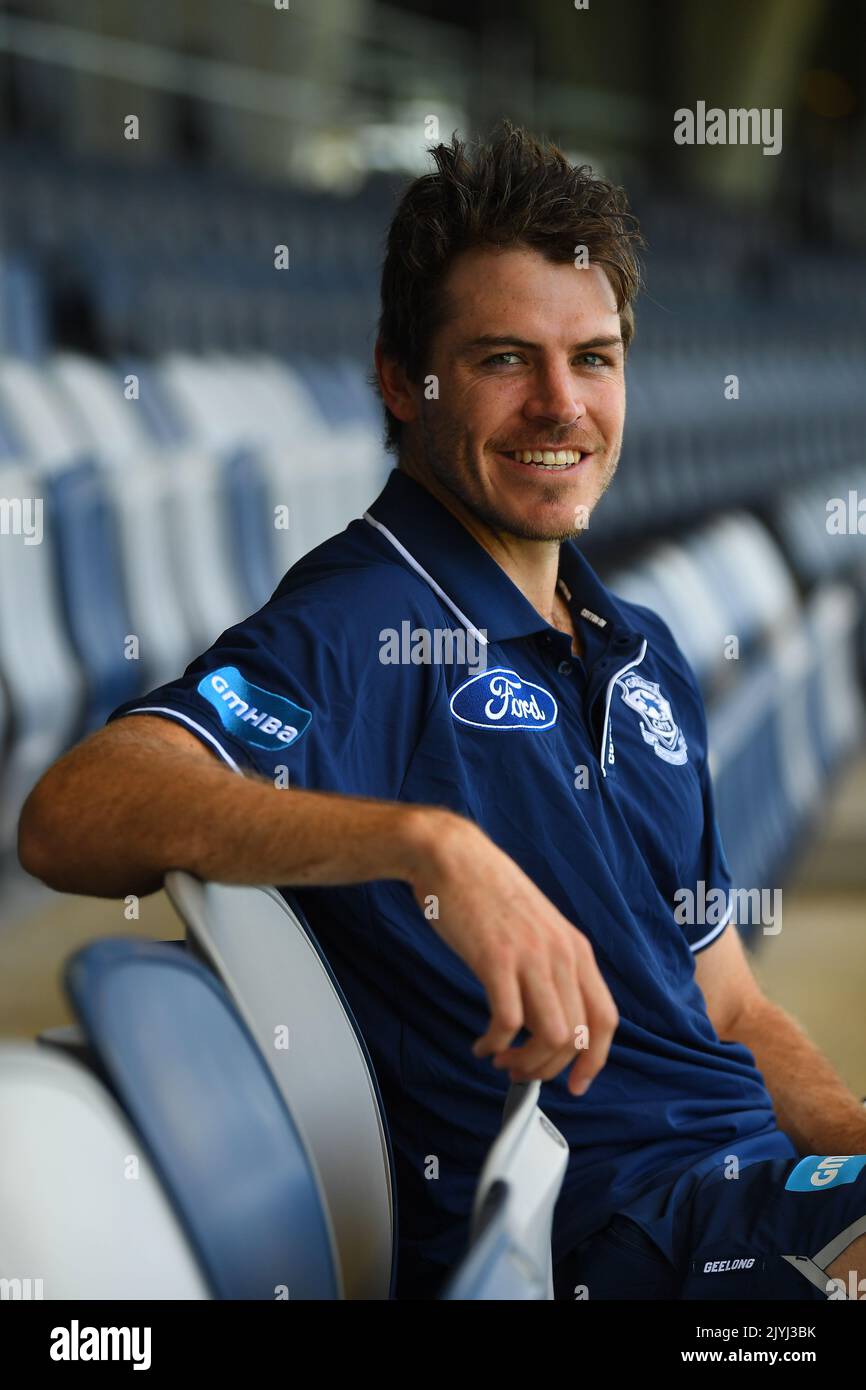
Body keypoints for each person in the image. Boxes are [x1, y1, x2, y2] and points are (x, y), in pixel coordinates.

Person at [19, 122, 866, 1301]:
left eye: (595, 358)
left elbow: (723, 996)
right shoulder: (361, 619)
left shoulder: (639, 651)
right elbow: (72, 811)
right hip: (601, 1241)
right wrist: (431, 846)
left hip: (748, 1203)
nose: (560, 405)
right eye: (503, 360)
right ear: (395, 377)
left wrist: (849, 1144)